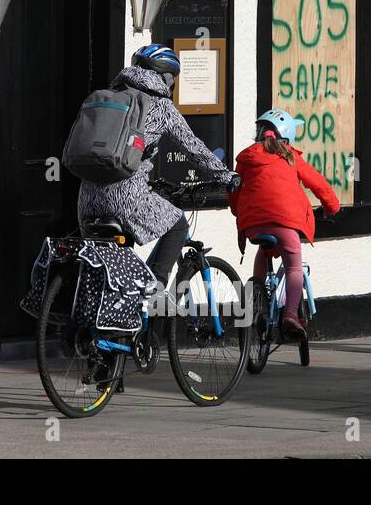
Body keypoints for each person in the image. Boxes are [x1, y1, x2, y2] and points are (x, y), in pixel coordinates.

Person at [77, 45, 239, 296]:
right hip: (125, 197)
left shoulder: (109, 95)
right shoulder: (161, 106)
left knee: (113, 268)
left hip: (87, 196)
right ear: (165, 77)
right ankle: (154, 291)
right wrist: (226, 176)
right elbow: (193, 149)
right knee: (178, 224)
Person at [226, 108, 340, 342]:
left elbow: (234, 188)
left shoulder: (247, 157)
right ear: (287, 137)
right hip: (286, 223)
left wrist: (239, 212)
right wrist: (333, 207)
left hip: (254, 225)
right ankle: (289, 315)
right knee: (294, 268)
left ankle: (257, 299)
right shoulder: (290, 156)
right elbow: (319, 184)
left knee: (262, 249)